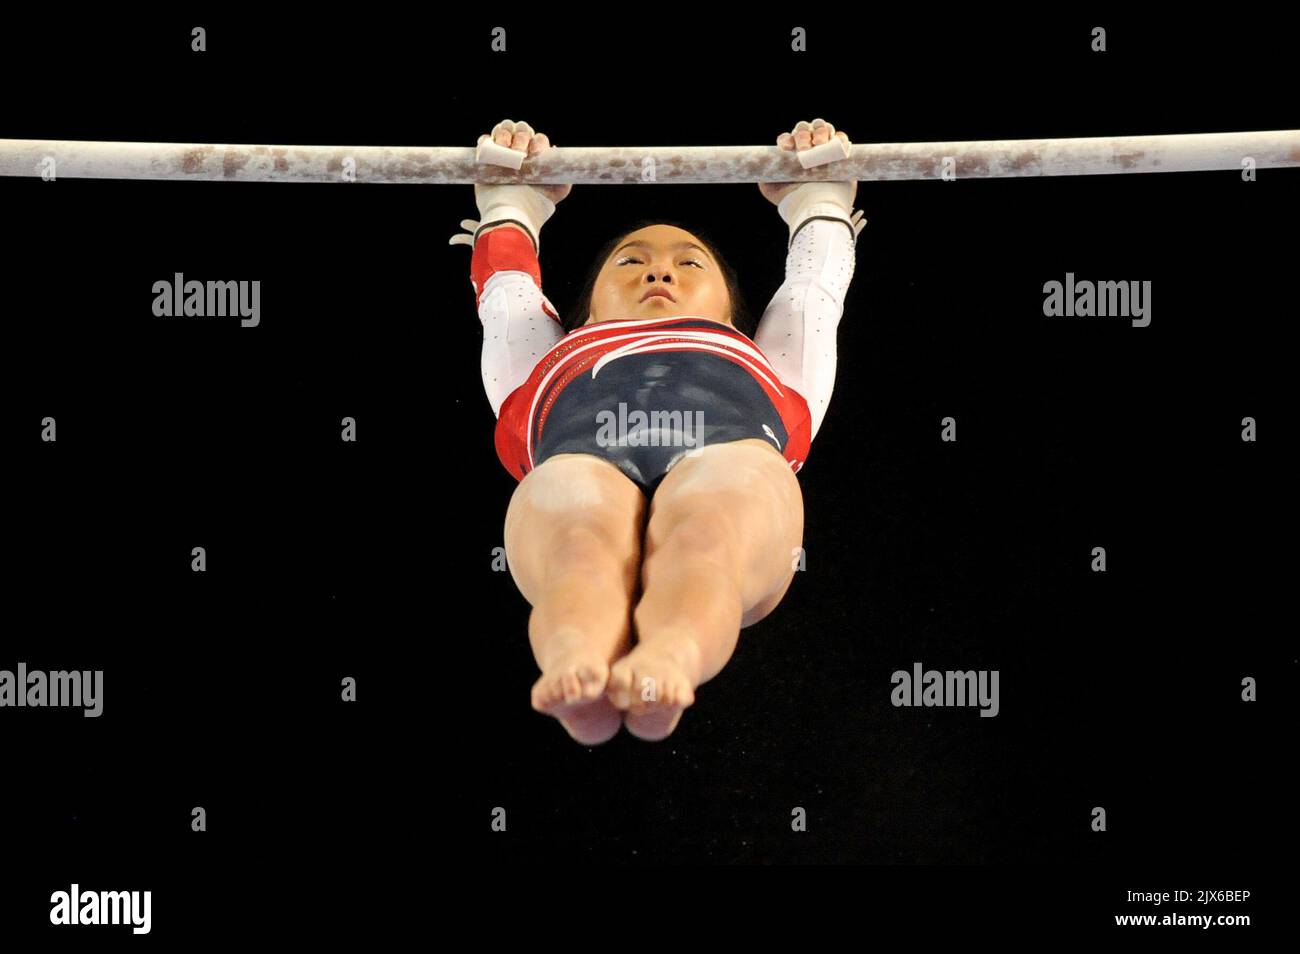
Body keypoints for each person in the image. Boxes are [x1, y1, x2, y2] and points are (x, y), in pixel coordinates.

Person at [452, 118, 864, 743]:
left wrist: (819, 199)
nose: (659, 274)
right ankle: (577, 658)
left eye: (688, 262)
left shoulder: (770, 359)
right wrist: (513, 201)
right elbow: (507, 292)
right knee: (581, 545)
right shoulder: (553, 354)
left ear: (730, 311)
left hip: (730, 461)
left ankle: (669, 656)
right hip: (583, 460)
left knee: (705, 535)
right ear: (586, 307)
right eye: (633, 260)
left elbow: (814, 290)